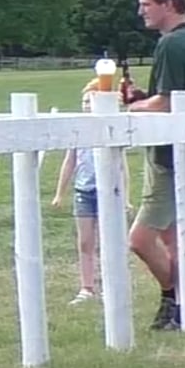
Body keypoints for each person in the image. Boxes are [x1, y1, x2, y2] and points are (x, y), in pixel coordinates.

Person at [124, 0, 185, 331]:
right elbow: (169, 98)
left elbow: (169, 102)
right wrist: (143, 98)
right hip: (174, 151)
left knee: (140, 240)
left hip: (169, 155)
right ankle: (184, 305)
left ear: (169, 4)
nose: (141, 11)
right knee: (174, 239)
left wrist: (129, 107)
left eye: (146, 4)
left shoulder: (173, 44)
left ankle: (173, 298)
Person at [49, 75, 118, 304]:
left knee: (109, 240)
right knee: (85, 242)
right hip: (84, 191)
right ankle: (86, 287)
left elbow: (122, 165)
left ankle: (110, 285)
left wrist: (124, 195)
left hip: (107, 191)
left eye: (89, 102)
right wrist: (60, 193)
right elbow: (69, 162)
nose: (85, 106)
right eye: (83, 102)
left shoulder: (108, 129)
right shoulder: (77, 131)